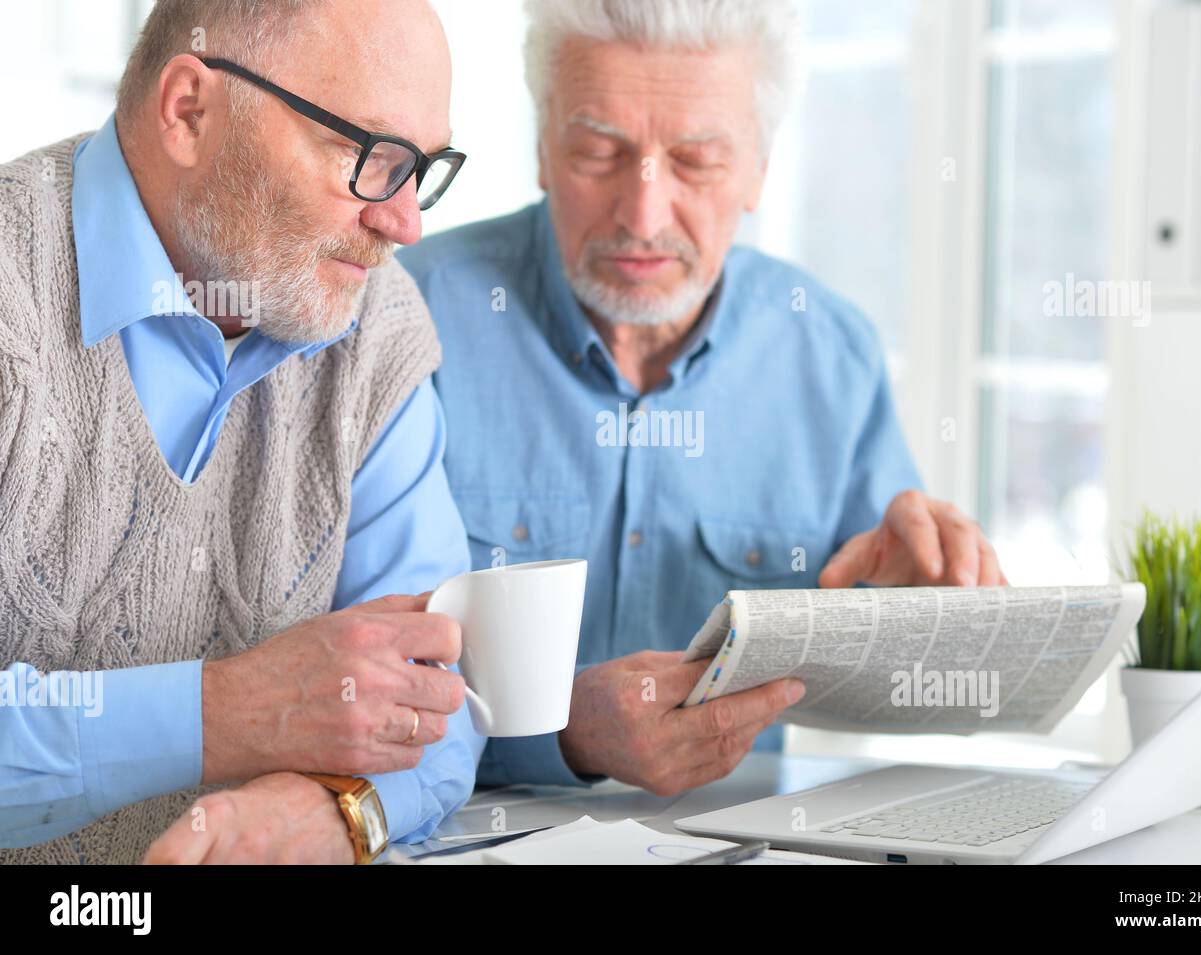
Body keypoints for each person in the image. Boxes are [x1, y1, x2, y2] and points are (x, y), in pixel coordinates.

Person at [398, 0, 1007, 798]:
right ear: (542, 146)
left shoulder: (832, 358)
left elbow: (888, 657)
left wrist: (923, 599)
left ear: (758, 170)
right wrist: (568, 729)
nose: (644, 215)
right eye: (598, 151)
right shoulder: (411, 320)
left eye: (695, 161)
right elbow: (348, 677)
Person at [0, 0, 480, 864]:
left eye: (425, 169)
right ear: (190, 110)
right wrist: (226, 713)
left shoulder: (372, 322)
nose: (405, 222)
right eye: (369, 156)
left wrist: (335, 815)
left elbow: (439, 704)